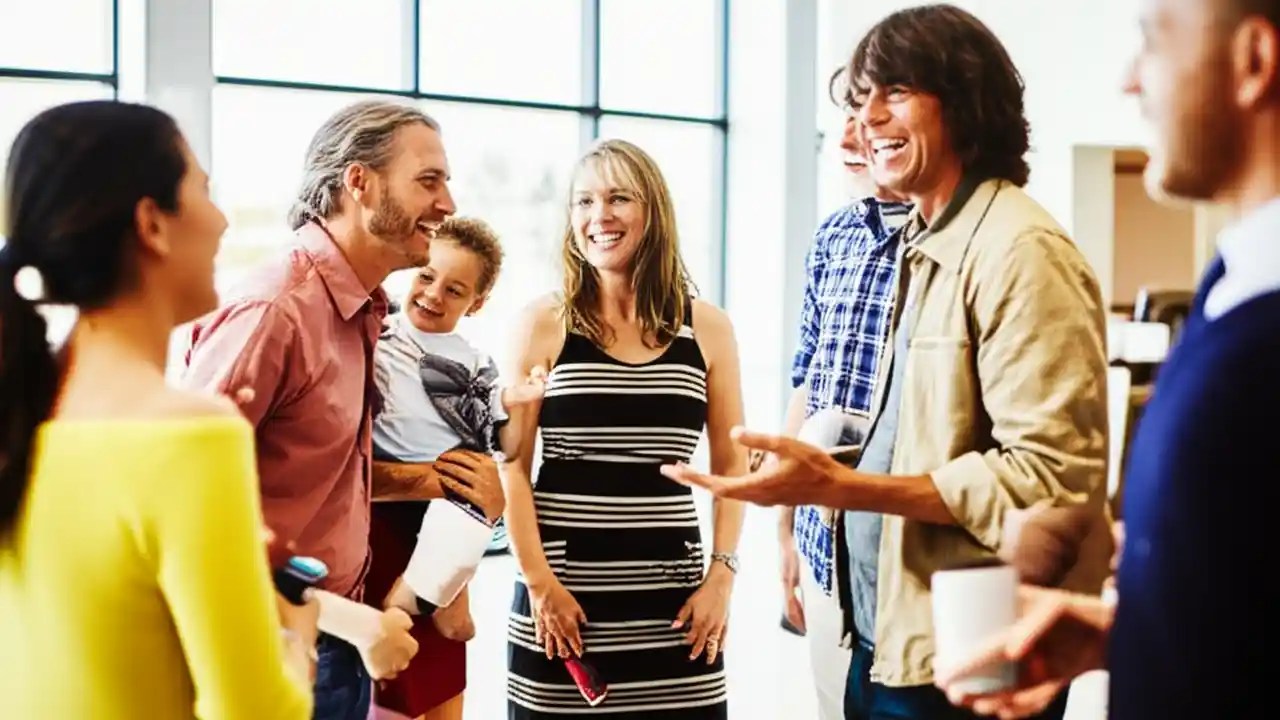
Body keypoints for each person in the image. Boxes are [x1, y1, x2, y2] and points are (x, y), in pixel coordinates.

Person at [662, 6, 1113, 719]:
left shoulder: (1020, 251)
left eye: (893, 91)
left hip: (966, 651)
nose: (865, 119)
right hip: (887, 631)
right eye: (858, 98)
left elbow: (1047, 481)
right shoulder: (927, 246)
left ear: (964, 101)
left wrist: (843, 487)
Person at [935, 1, 1278, 718]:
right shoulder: (1234, 282)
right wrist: (1130, 632)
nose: (1129, 82)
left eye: (1152, 43)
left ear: (1253, 60)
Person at [180, 99, 498, 720]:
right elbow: (183, 508)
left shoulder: (364, 312)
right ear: (359, 182)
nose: (448, 205)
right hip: (268, 645)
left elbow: (332, 472)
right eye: (428, 181)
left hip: (337, 645)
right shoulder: (276, 311)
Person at [0, 100, 315, 718]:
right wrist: (297, 635)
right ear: (153, 223)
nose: (222, 221)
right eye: (202, 189)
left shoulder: (23, 412)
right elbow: (254, 711)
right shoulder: (193, 437)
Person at [502, 138, 746, 718]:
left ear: (652, 211)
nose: (598, 216)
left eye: (617, 198)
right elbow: (510, 464)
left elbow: (732, 465)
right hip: (563, 606)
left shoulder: (707, 328)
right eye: (582, 202)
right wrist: (539, 584)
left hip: (678, 604)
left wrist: (722, 577)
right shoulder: (543, 322)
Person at [367, 216, 542, 720]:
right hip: (392, 508)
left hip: (449, 501)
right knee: (393, 687)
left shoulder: (475, 362)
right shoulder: (380, 332)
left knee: (464, 526)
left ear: (477, 303)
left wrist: (523, 404)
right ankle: (438, 599)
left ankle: (436, 597)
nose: (433, 294)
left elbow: (505, 444)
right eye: (426, 276)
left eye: (455, 289)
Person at [780, 65, 912, 720]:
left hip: (898, 548)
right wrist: (784, 530)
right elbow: (805, 376)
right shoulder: (833, 234)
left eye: (872, 123)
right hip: (818, 541)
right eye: (847, 123)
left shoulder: (949, 242)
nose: (850, 140)